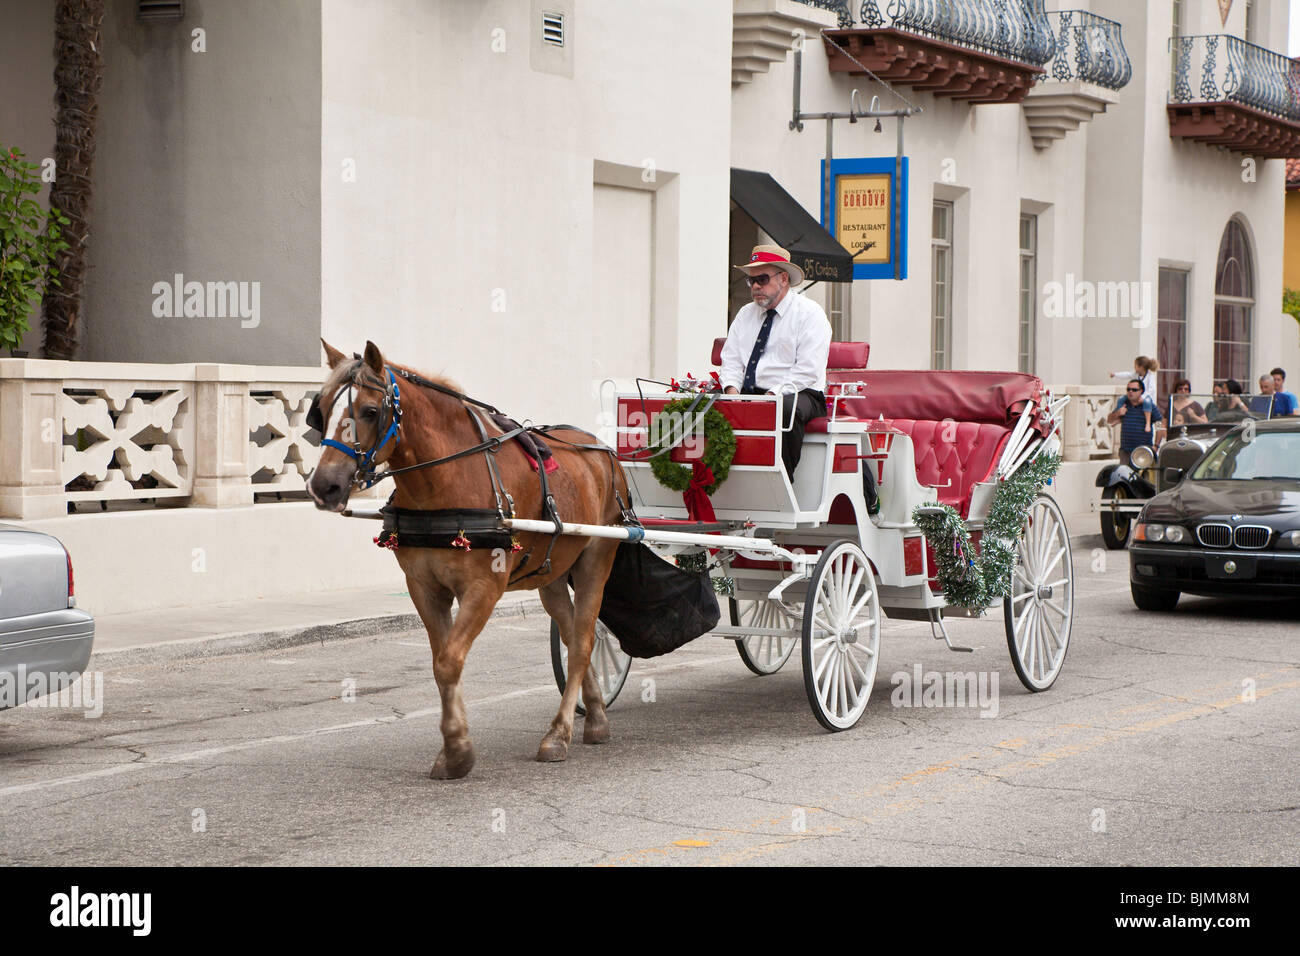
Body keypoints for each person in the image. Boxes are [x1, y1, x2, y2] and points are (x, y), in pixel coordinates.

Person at [720, 243, 831, 483]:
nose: (756, 286)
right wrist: (731, 392)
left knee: (784, 410)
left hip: (801, 392)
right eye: (751, 281)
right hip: (753, 391)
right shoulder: (745, 314)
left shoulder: (810, 313)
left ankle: (780, 484)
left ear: (783, 279)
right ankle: (719, 484)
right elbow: (730, 361)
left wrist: (772, 395)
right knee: (705, 408)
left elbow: (808, 370)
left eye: (762, 278)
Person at [1107, 378, 1162, 467]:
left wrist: (1156, 446)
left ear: (1141, 391)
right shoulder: (1124, 404)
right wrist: (1118, 413)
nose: (1130, 392)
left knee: (1143, 477)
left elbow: (1160, 426)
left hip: (1143, 451)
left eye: (1134, 390)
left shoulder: (1149, 406)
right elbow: (1109, 420)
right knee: (1124, 476)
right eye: (1128, 389)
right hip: (1126, 451)